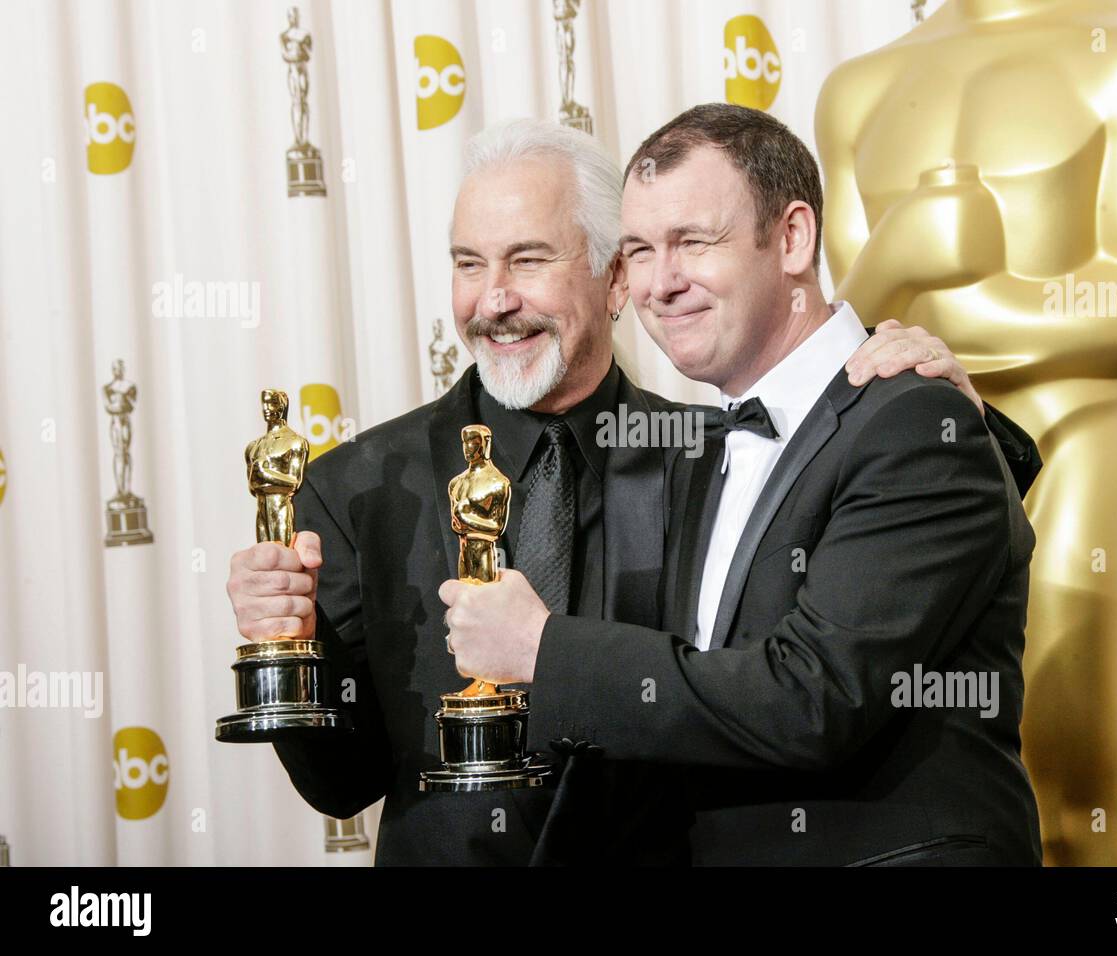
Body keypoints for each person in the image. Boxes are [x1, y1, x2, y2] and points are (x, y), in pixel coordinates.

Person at [226, 118, 1038, 865]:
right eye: (469, 264)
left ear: (608, 282)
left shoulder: (708, 449)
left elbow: (818, 668)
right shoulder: (355, 485)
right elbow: (340, 785)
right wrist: (294, 649)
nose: (495, 298)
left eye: (530, 259)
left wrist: (952, 409)